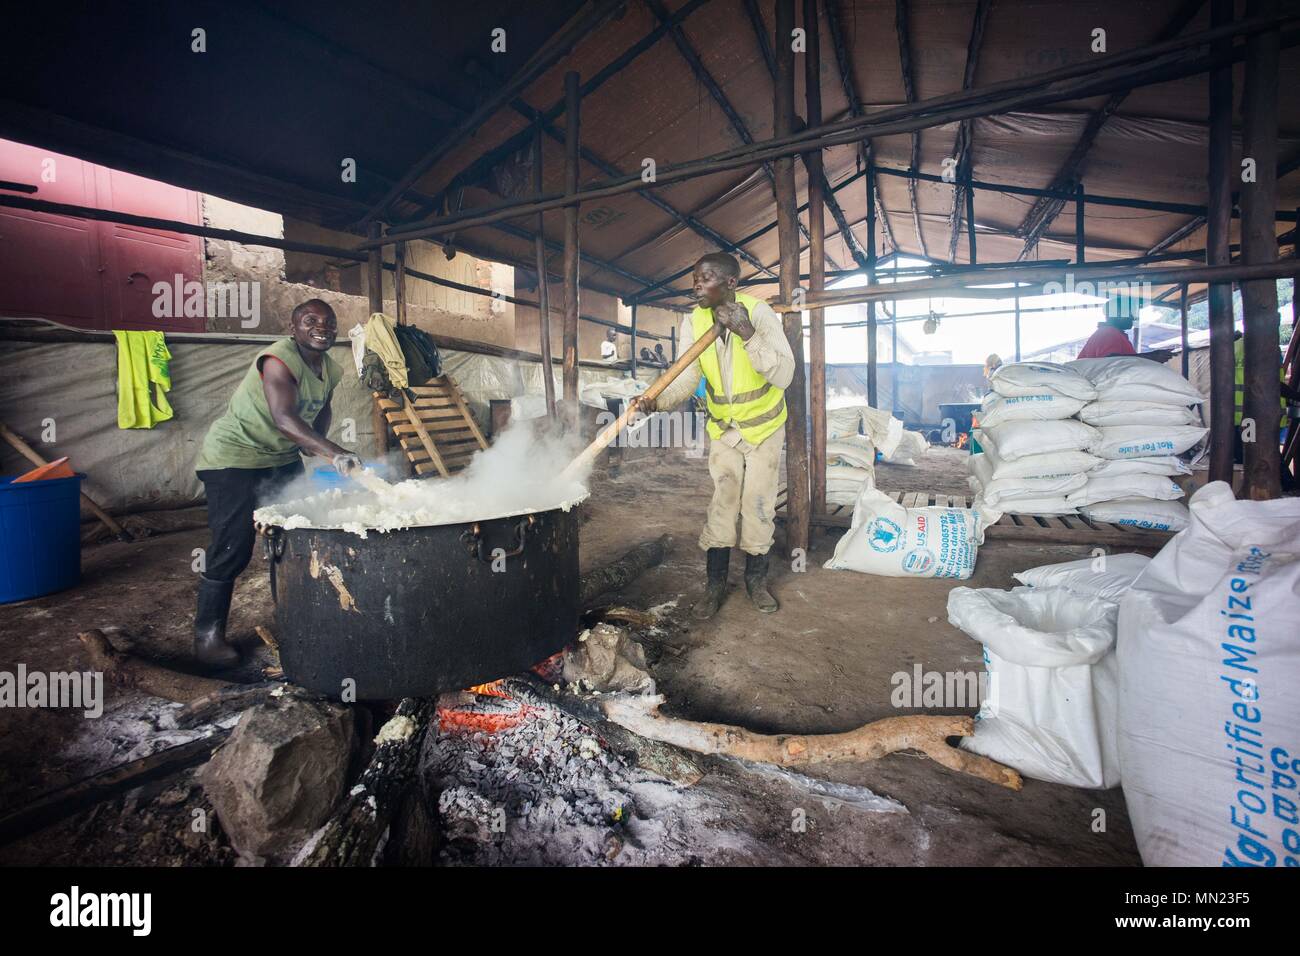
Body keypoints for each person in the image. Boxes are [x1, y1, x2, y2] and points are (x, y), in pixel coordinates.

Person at [192, 299, 361, 667]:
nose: (322, 327)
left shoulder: (330, 368)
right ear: (293, 326)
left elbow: (320, 410)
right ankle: (207, 638)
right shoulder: (278, 359)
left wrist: (316, 445)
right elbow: (284, 418)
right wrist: (334, 453)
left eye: (329, 322)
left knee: (298, 531)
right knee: (232, 546)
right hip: (233, 459)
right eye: (310, 320)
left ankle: (298, 615)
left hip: (280, 459)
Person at [631, 252, 794, 618]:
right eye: (695, 278)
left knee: (757, 502)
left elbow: (784, 375)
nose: (696, 285)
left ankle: (756, 582)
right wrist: (655, 402)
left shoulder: (760, 313)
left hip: (764, 426)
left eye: (705, 278)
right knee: (723, 502)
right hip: (724, 428)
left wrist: (747, 333)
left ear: (731, 283)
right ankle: (714, 586)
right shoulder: (696, 320)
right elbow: (688, 377)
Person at [1077, 293, 1174, 362]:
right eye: (1130, 314)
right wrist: (1151, 357)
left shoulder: (1110, 332)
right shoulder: (1108, 332)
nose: (1133, 318)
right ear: (1118, 314)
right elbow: (1110, 360)